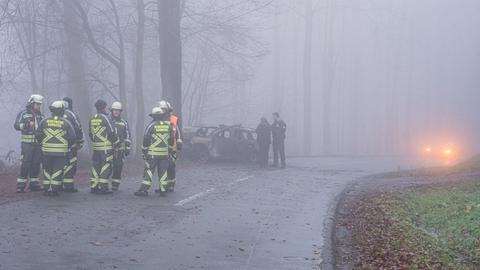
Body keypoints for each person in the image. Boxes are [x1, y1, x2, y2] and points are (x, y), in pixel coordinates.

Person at [36, 101, 76, 196]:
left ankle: (46, 189)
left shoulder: (44, 121)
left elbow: (38, 134)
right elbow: (73, 137)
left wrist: (44, 143)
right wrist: (67, 145)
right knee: (57, 170)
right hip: (60, 153)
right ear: (62, 110)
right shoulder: (66, 123)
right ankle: (54, 190)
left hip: (46, 152)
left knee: (47, 170)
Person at [134, 107, 174, 197]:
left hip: (152, 154)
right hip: (164, 154)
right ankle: (163, 190)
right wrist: (169, 150)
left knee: (149, 171)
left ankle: (144, 190)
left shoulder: (151, 126)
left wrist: (144, 151)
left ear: (154, 116)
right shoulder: (168, 126)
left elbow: (146, 139)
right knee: (163, 172)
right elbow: (171, 140)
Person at [13, 94, 44, 192]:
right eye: (37, 104)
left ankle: (34, 184)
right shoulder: (23, 113)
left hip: (38, 144)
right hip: (27, 144)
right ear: (31, 103)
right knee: (25, 164)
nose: (39, 106)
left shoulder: (41, 115)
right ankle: (20, 186)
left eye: (40, 104)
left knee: (36, 164)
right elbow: (16, 125)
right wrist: (26, 125)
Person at [89, 99, 119, 194]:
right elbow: (111, 132)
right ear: (103, 107)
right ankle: (103, 187)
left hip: (96, 147)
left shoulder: (92, 118)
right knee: (106, 166)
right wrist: (115, 141)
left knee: (96, 166)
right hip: (106, 148)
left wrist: (96, 141)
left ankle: (94, 186)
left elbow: (90, 133)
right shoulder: (105, 118)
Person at [157, 100, 183, 193]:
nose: (163, 111)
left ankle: (171, 185)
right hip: (161, 147)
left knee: (171, 165)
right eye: (161, 109)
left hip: (172, 147)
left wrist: (179, 141)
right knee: (162, 167)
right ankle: (163, 186)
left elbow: (178, 132)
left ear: (168, 110)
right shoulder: (157, 119)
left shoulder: (173, 119)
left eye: (164, 109)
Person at [62, 97, 84, 192]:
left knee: (60, 164)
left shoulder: (56, 113)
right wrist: (80, 141)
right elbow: (78, 128)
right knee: (71, 164)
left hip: (59, 145)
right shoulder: (71, 114)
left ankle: (58, 184)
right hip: (71, 144)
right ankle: (68, 186)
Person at [110, 101, 131, 191]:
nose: (116, 112)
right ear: (112, 110)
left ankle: (115, 185)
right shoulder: (108, 121)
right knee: (106, 167)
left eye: (118, 110)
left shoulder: (124, 123)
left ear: (120, 112)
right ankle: (103, 185)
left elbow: (128, 136)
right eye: (115, 110)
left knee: (118, 167)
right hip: (108, 149)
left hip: (120, 150)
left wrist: (127, 148)